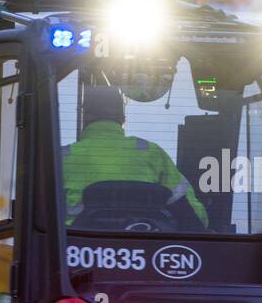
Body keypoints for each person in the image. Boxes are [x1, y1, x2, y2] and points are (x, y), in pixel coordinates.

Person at [62, 85, 208, 228]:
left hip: (76, 248)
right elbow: (194, 216)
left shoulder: (62, 158)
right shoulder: (151, 152)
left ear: (84, 115)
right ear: (122, 118)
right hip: (147, 246)